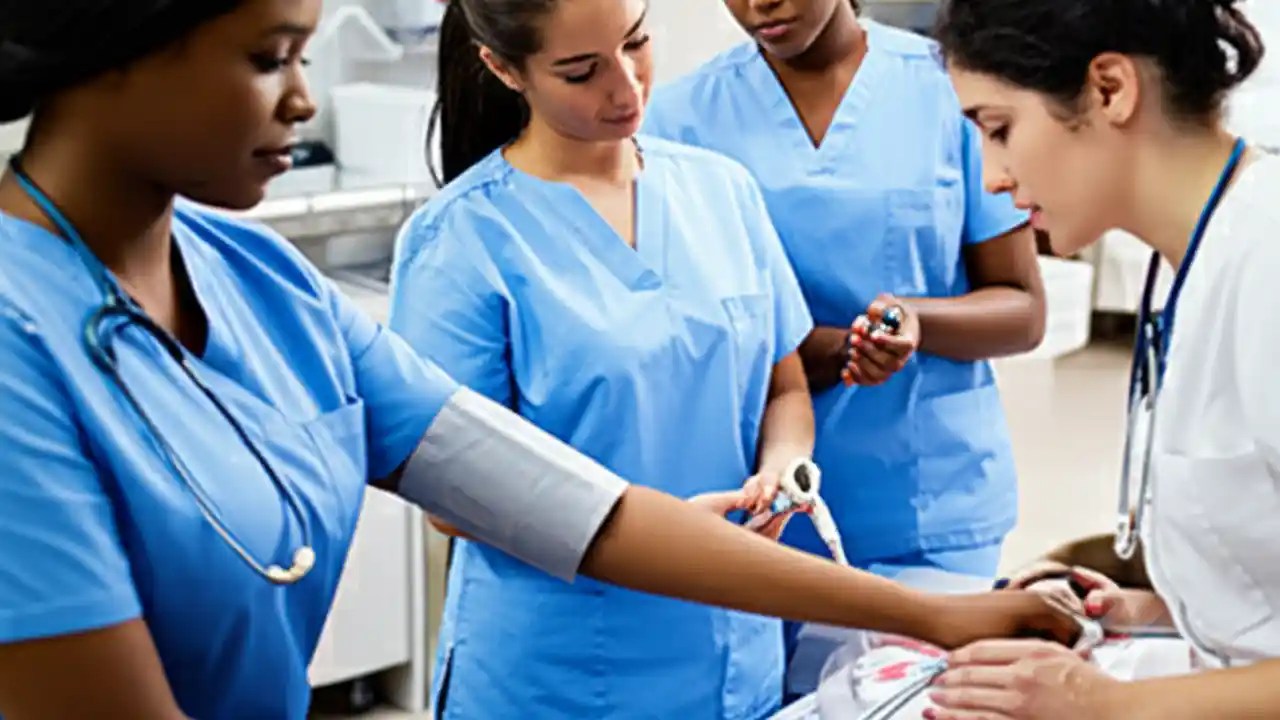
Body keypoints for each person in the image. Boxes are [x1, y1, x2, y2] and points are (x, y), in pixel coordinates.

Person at [0, 1, 1081, 718]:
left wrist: (937, 612)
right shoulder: (17, 342)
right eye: (268, 57)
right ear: (114, 43)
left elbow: (567, 505)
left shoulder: (260, 282)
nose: (301, 98)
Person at [388, 0, 820, 715]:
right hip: (565, 666)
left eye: (637, 43)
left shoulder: (722, 191)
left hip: (730, 639)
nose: (625, 89)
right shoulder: (462, 239)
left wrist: (784, 467)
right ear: (503, 68)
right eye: (581, 72)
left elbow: (786, 391)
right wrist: (651, 534)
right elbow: (451, 501)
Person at [923, 0, 1280, 717]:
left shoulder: (1269, 263)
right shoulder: (1184, 263)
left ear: (1110, 89)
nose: (991, 176)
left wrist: (1105, 705)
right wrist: (1154, 608)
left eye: (999, 130)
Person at [644, 0, 1045, 589]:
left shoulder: (950, 91)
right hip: (758, 509)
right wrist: (803, 354)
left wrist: (914, 321)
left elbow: (1023, 308)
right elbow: (673, 332)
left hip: (930, 511)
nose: (760, 5)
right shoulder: (679, 121)